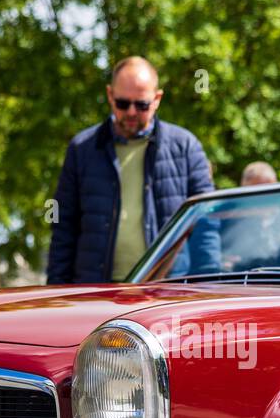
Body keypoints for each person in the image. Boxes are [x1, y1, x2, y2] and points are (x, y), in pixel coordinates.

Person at [46, 56, 215, 284]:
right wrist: (58, 294)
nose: (132, 112)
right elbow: (62, 226)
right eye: (123, 104)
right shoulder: (81, 149)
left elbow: (206, 224)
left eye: (142, 104)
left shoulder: (186, 147)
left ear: (157, 99)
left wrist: (211, 288)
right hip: (97, 291)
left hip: (168, 291)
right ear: (109, 95)